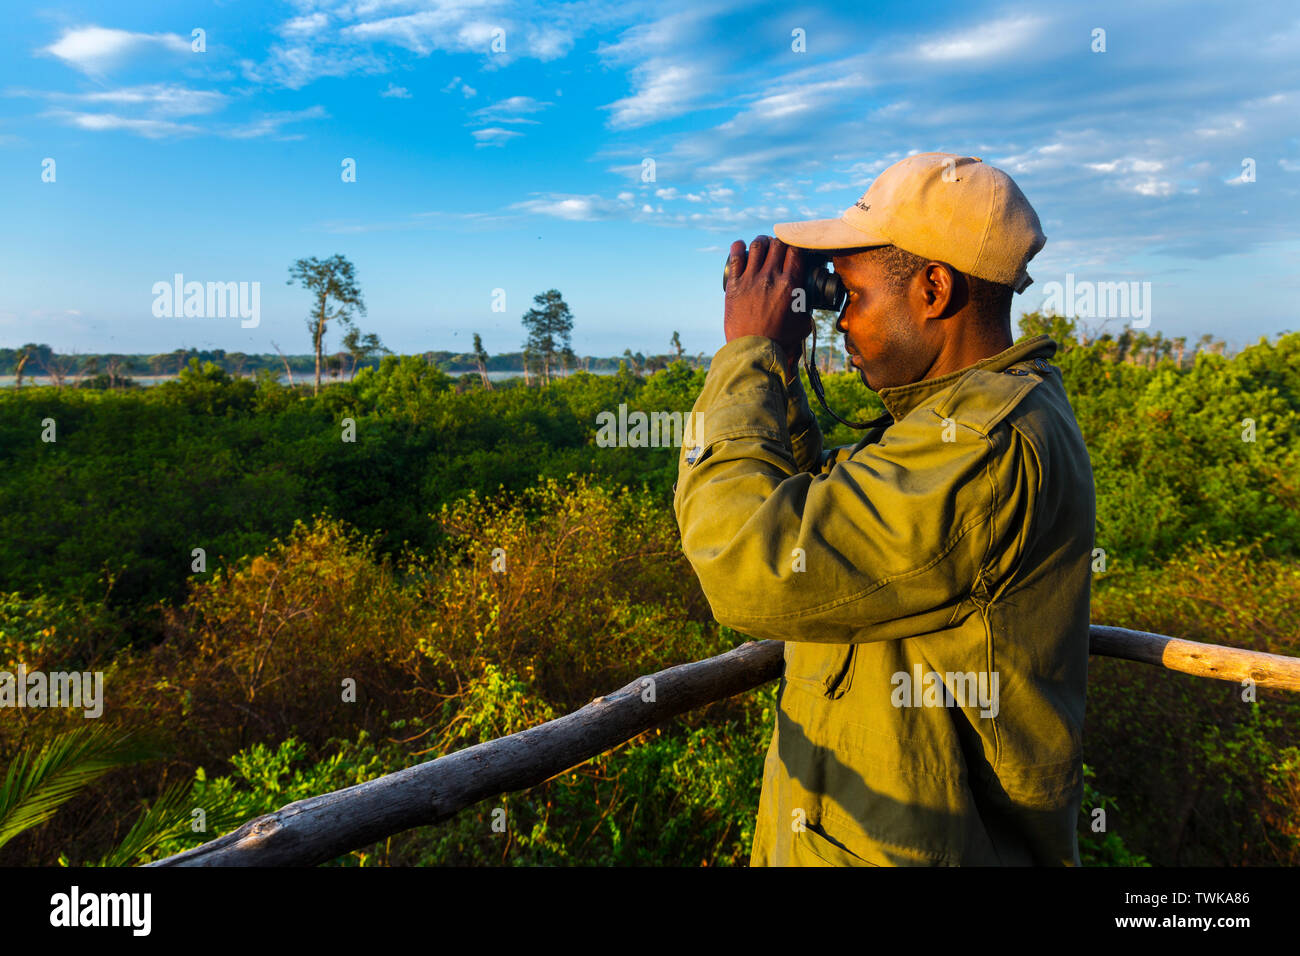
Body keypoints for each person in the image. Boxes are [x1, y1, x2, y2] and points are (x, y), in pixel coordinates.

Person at [673, 152, 1096, 866]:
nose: (840, 322)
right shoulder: (951, 421)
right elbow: (823, 528)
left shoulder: (983, 443)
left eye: (854, 295)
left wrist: (748, 350)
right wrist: (781, 364)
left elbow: (745, 558)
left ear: (934, 288)